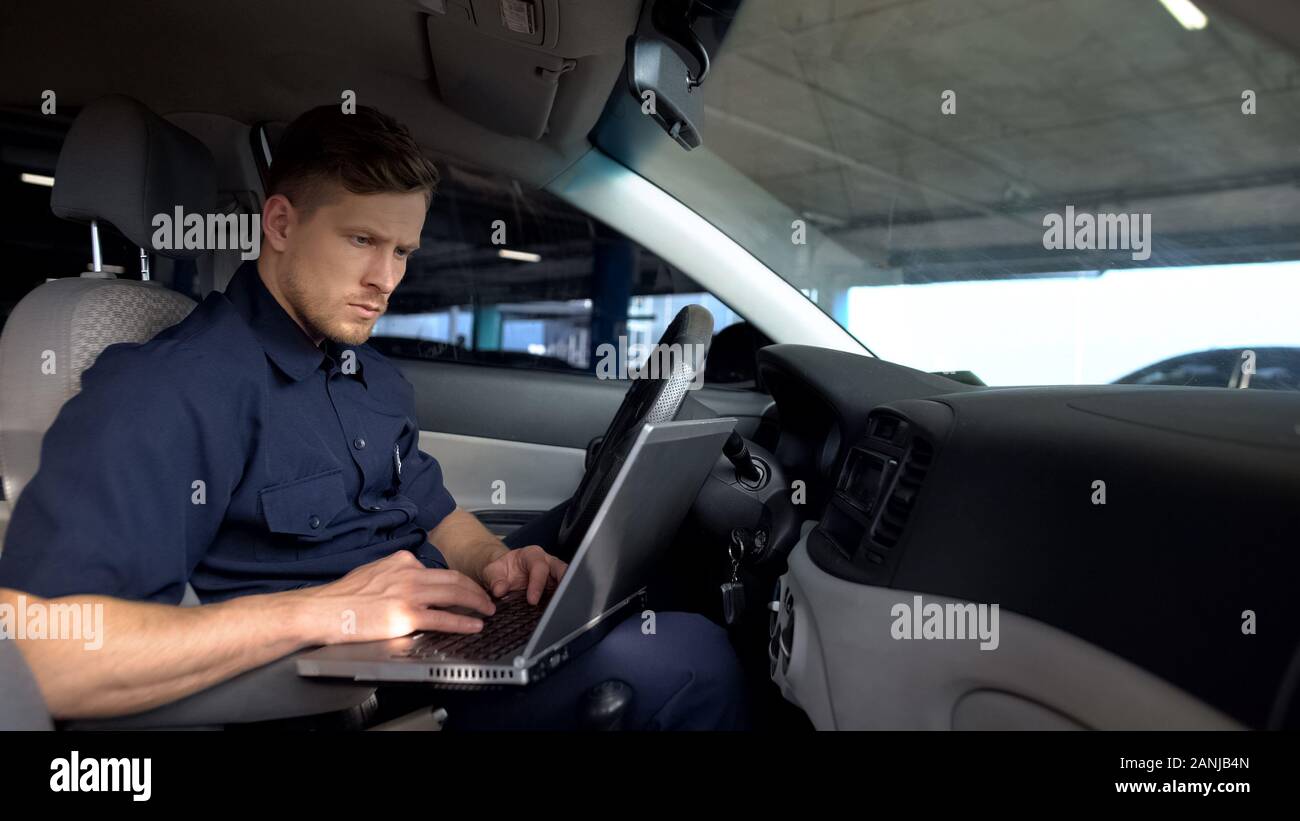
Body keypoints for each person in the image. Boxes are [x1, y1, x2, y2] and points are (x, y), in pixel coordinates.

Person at [0, 104, 746, 730]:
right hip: (360, 702)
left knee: (653, 568)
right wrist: (325, 611)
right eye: (361, 240)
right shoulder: (167, 390)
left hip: (444, 645)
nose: (385, 280)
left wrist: (493, 562)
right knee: (687, 656)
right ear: (282, 223)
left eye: (403, 251)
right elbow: (40, 650)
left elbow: (434, 512)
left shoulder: (370, 376)